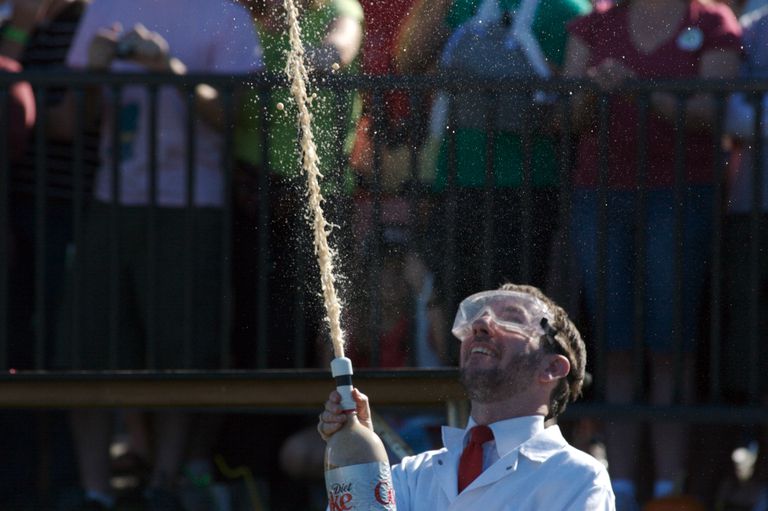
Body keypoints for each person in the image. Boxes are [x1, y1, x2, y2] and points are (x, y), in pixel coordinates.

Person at [52, 1, 263, 509]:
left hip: (192, 206)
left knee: (184, 349)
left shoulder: (226, 14)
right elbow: (65, 123)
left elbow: (234, 117)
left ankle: (166, 482)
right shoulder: (104, 6)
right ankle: (95, 491)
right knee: (89, 347)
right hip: (112, 202)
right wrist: (94, 73)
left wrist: (168, 70)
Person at [562, 0, 741, 508]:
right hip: (600, 195)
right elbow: (565, 115)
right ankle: (617, 487)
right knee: (613, 345)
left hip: (682, 196)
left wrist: (639, 89)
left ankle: (669, 488)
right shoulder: (594, 21)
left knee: (671, 345)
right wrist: (590, 89)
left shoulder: (712, 22)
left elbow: (716, 109)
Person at [318, 283, 615, 510]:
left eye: (511, 318)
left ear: (551, 367)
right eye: (478, 317)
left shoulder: (577, 479)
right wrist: (362, 460)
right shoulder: (413, 475)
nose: (481, 324)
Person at [395, 0, 592, 312]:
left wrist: (526, 94)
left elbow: (573, 111)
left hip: (527, 191)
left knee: (514, 317)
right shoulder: (464, 4)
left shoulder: (565, 9)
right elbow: (409, 62)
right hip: (455, 183)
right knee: (456, 314)